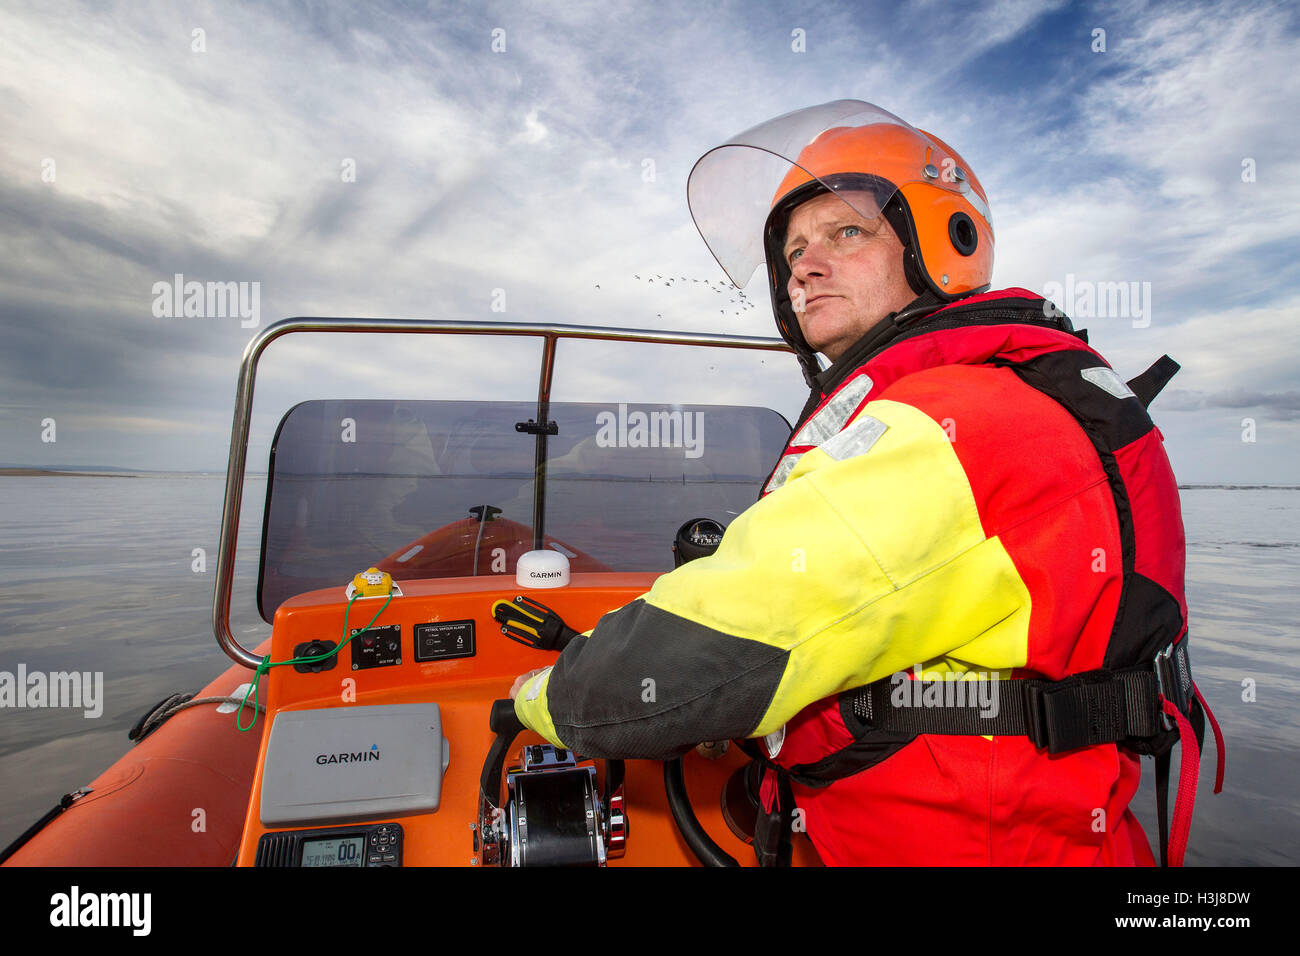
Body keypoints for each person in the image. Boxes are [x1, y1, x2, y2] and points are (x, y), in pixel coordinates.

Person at [510, 100, 1223, 866]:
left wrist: (532, 697)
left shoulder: (951, 427)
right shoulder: (1015, 394)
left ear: (943, 244)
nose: (802, 269)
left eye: (846, 232)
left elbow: (704, 653)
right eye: (793, 252)